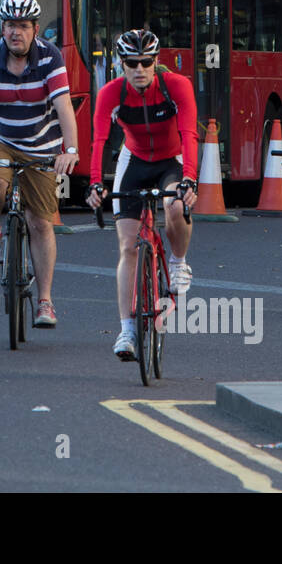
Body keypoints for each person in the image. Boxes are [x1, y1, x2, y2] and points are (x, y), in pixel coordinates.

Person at [0, 0, 80, 328]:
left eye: (23, 26)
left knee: (40, 222)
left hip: (41, 144)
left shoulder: (50, 57)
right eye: (10, 25)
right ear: (1, 28)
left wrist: (71, 150)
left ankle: (45, 301)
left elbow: (65, 107)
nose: (15, 32)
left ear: (35, 29)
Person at [83, 29, 198, 361]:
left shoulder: (177, 86)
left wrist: (189, 178)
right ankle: (127, 330)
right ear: (121, 64)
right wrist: (94, 183)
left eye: (146, 63)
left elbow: (190, 133)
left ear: (156, 62)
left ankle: (177, 261)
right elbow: (100, 142)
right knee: (127, 247)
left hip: (171, 160)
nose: (139, 70)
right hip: (134, 160)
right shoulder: (110, 94)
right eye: (132, 63)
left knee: (175, 206)